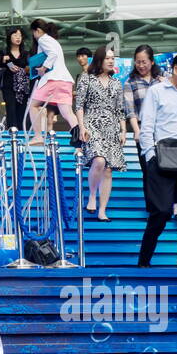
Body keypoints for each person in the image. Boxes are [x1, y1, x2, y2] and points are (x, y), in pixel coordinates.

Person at [136, 51, 177, 268]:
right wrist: (150, 157)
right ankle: (144, 258)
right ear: (175, 69)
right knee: (161, 211)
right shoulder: (156, 92)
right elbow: (146, 128)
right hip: (161, 160)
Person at [74, 45, 124, 222]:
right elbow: (79, 105)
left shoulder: (117, 83)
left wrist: (123, 130)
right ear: (99, 60)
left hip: (111, 127)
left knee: (108, 170)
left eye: (113, 58)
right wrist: (82, 127)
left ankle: (102, 210)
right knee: (99, 160)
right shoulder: (86, 78)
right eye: (107, 58)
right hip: (92, 124)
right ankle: (92, 195)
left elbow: (120, 109)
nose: (111, 61)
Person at [27, 19, 77, 145]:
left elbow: (52, 54)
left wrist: (43, 68)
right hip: (65, 80)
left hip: (53, 79)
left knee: (33, 105)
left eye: (33, 32)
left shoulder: (43, 39)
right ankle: (80, 135)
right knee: (67, 112)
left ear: (37, 30)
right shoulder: (53, 41)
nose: (34, 35)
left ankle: (38, 136)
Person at [0, 26, 31, 131]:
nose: (18, 37)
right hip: (8, 87)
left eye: (20, 35)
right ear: (9, 37)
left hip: (23, 88)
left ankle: (23, 134)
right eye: (15, 35)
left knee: (22, 111)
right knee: (11, 109)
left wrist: (27, 69)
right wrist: (3, 61)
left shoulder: (26, 54)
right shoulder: (4, 52)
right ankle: (13, 134)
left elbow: (31, 70)